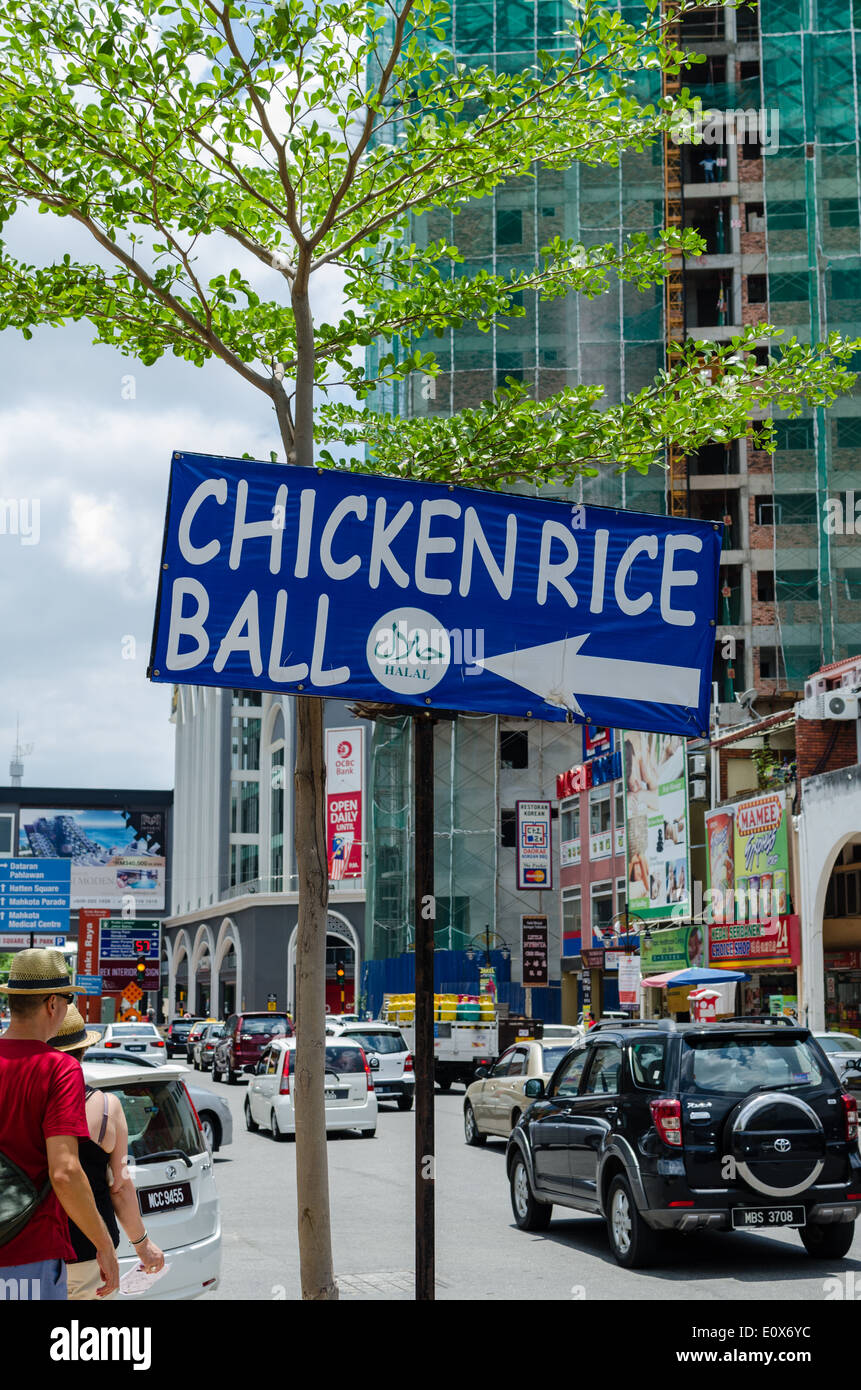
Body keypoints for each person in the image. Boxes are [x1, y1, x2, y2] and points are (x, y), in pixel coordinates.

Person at [0, 948, 120, 1301]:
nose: (68, 1008)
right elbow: (66, 1172)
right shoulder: (59, 1070)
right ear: (52, 1003)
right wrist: (104, 1245)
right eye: (69, 999)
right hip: (28, 1252)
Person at [49, 1006, 165, 1299]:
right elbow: (120, 1186)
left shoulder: (24, 1101)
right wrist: (142, 1245)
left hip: (33, 1252)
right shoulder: (106, 1108)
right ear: (84, 1050)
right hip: (92, 1258)